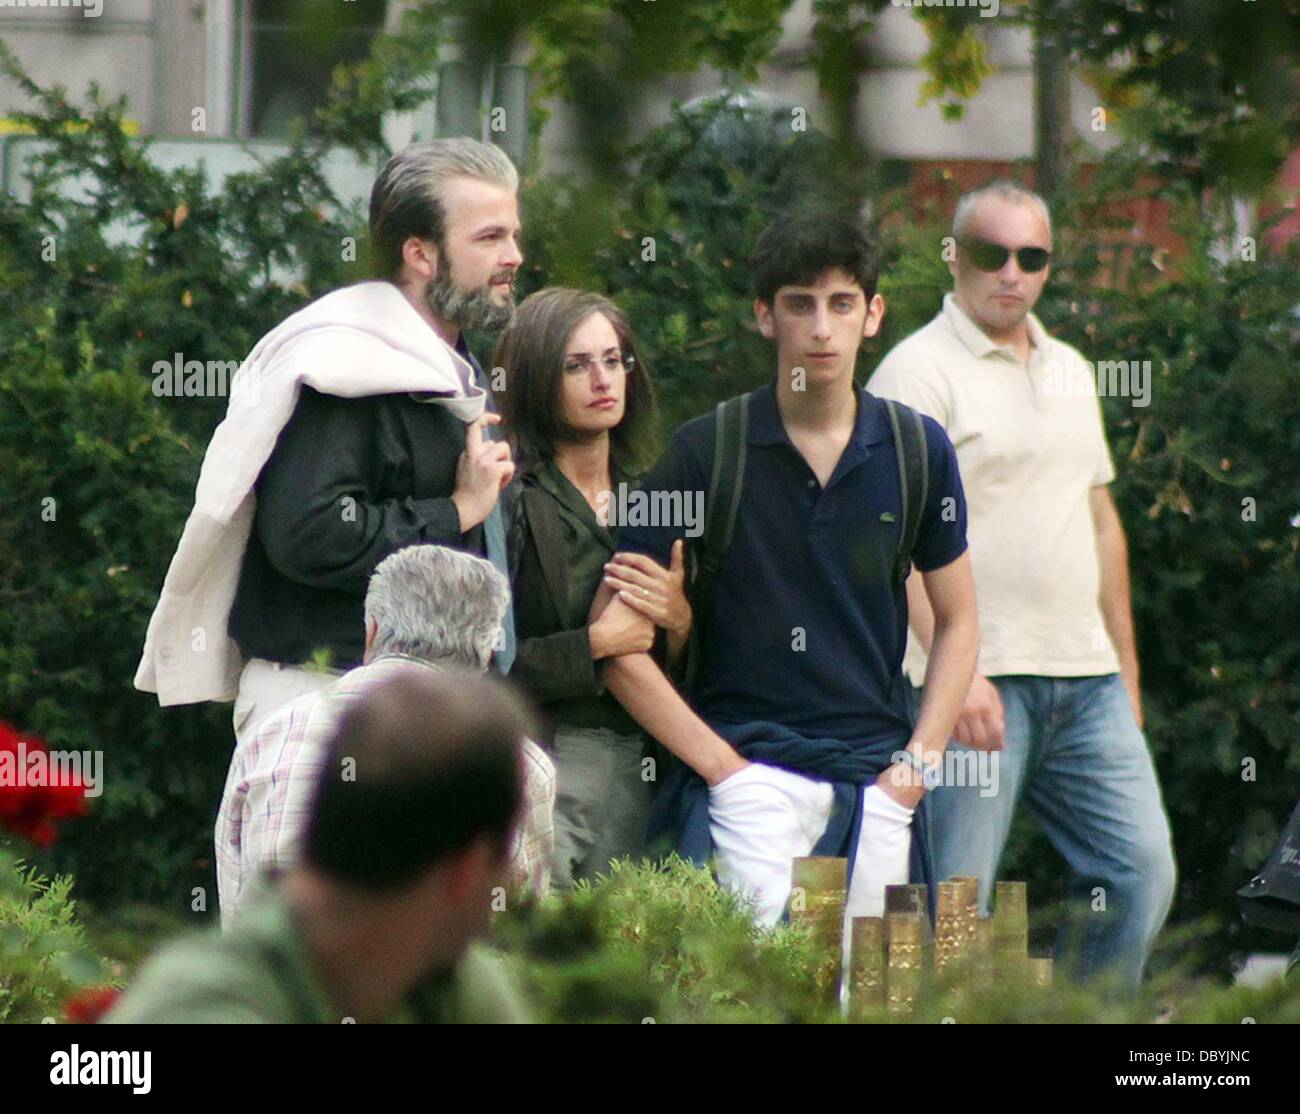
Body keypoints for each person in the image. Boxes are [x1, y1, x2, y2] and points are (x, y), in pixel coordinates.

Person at [591, 213, 980, 928]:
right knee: (753, 1000)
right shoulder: (707, 451)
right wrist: (722, 769)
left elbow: (959, 621)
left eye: (842, 303)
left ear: (874, 315)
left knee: (872, 1009)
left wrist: (915, 773)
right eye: (800, 303)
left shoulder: (917, 449)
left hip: (876, 780)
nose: (822, 328)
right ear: (764, 316)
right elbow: (616, 646)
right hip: (746, 772)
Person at [868, 179, 1177, 990]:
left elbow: (1101, 522)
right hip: (974, 684)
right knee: (952, 910)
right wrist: (953, 671)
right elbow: (885, 539)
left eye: (1031, 256)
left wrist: (1129, 672)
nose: (1011, 271)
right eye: (990, 252)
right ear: (954, 256)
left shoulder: (1073, 368)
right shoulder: (916, 372)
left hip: (1089, 681)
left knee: (1141, 876)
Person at [134, 138, 524, 744]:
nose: (514, 256)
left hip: (418, 706)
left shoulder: (450, 370)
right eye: (489, 237)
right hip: (325, 702)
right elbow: (307, 534)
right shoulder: (346, 366)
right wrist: (454, 511)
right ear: (420, 254)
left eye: (513, 235)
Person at [107, 669, 533, 1023]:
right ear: (467, 869)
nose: (512, 882)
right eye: (506, 858)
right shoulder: (202, 1010)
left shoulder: (453, 984)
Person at [215, 544, 555, 923]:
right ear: (489, 648)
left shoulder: (272, 732)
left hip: (274, 973)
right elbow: (517, 927)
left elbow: (235, 907)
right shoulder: (521, 764)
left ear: (371, 630)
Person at [495, 288, 688, 888]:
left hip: (647, 762)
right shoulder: (510, 501)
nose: (602, 380)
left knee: (628, 961)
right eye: (575, 366)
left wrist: (680, 619)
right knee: (536, 963)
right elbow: (478, 668)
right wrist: (594, 643)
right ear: (534, 379)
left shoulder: (654, 497)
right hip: (544, 760)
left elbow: (704, 669)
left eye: (613, 360)